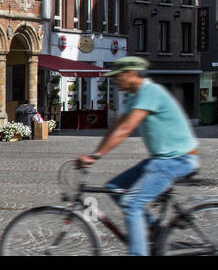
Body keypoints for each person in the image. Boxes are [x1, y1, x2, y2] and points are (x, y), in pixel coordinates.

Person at [77, 57, 199, 256]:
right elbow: (117, 126)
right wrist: (93, 154)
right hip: (161, 159)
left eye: (118, 76)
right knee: (115, 188)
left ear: (132, 73)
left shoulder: (149, 92)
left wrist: (96, 156)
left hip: (177, 159)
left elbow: (126, 129)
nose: (115, 80)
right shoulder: (134, 96)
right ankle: (154, 230)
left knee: (131, 203)